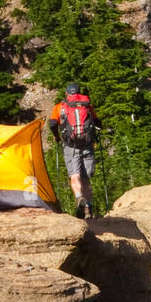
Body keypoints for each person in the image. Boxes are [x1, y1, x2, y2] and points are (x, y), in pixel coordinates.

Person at [49, 83, 100, 219]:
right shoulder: (87, 105)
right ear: (78, 92)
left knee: (75, 176)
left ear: (67, 93)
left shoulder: (60, 107)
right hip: (87, 146)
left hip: (71, 147)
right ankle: (89, 208)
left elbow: (53, 123)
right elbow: (97, 123)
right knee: (86, 179)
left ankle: (79, 198)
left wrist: (56, 136)